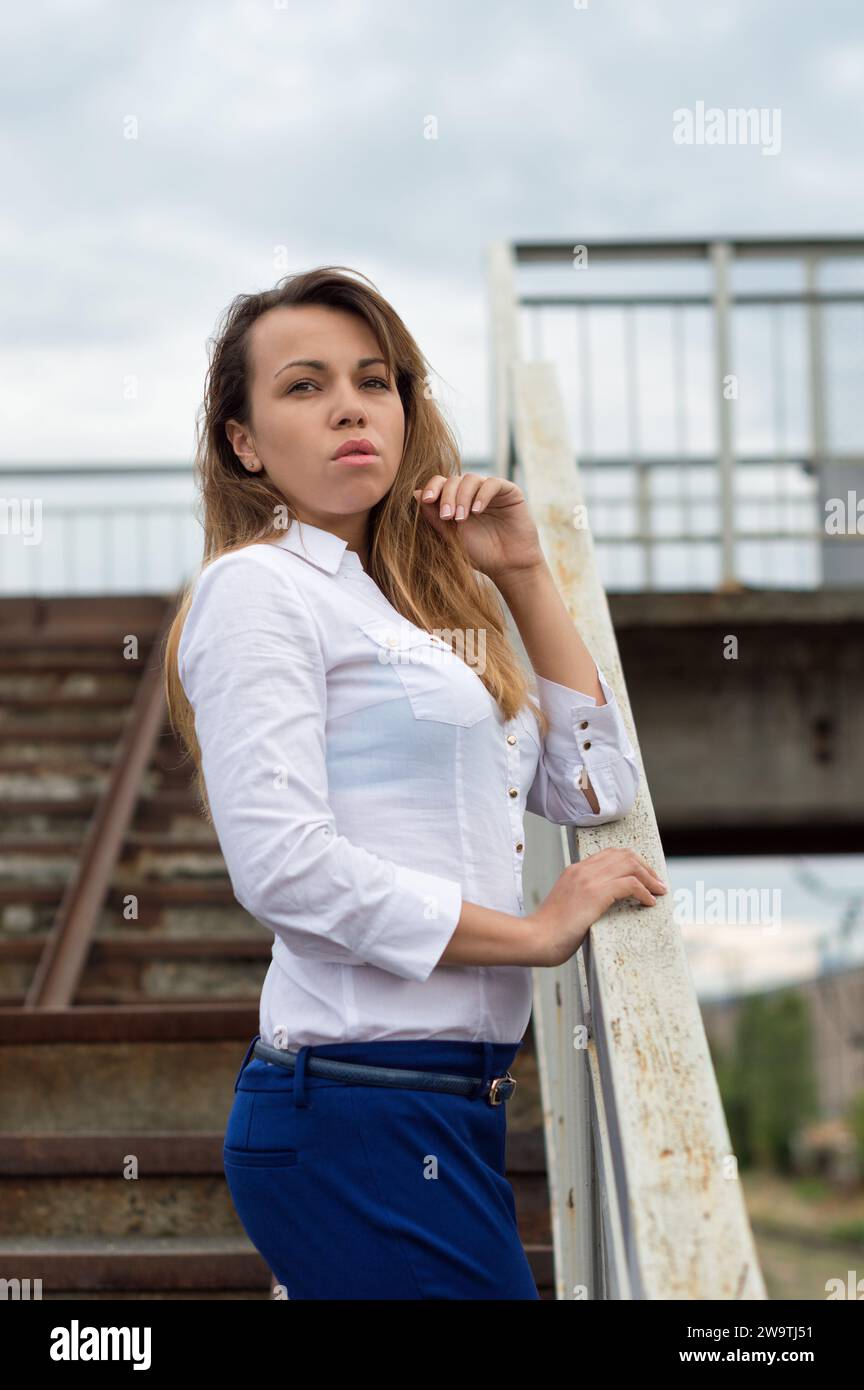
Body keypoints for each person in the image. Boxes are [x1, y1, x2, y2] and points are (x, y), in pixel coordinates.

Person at [163, 265, 667, 1301]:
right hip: (352, 1110)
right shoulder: (257, 591)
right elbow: (285, 869)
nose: (350, 404)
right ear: (243, 442)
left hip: (452, 1107)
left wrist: (523, 572)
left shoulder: (418, 612)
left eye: (374, 379)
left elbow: (594, 783)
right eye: (304, 386)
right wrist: (529, 933)